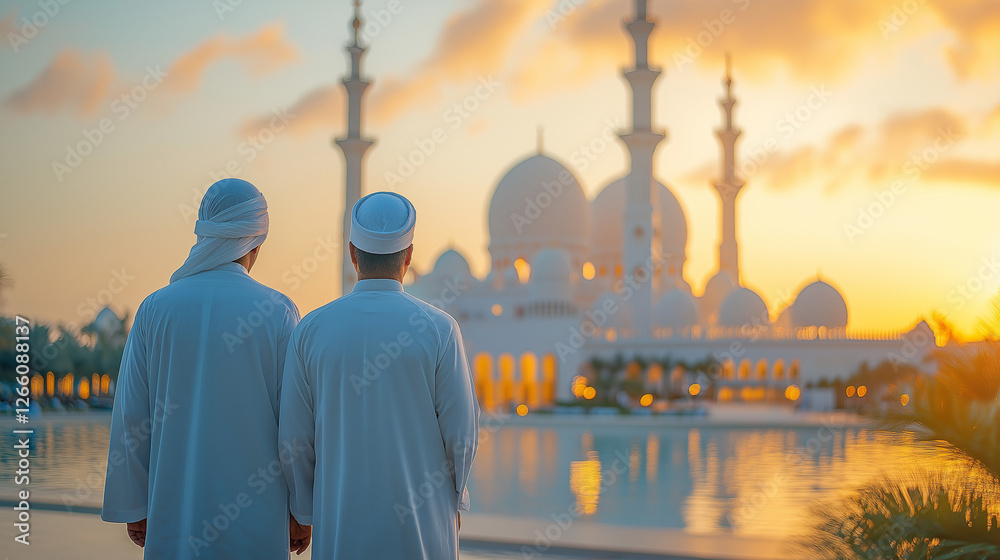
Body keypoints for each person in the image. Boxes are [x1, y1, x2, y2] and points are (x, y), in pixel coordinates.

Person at [102, 178, 311, 558]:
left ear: (202, 232)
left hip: (173, 521)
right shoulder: (278, 312)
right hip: (258, 523)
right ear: (256, 241)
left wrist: (134, 503)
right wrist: (302, 509)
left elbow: (131, 415)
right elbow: (295, 425)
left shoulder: (155, 308)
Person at [278, 191, 480, 559]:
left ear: (352, 254)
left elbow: (295, 439)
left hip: (340, 529)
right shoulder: (440, 329)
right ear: (409, 256)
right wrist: (455, 498)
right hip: (424, 531)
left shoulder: (310, 330)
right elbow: (462, 436)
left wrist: (304, 513)